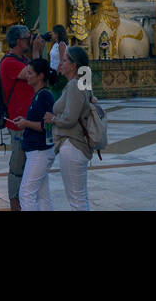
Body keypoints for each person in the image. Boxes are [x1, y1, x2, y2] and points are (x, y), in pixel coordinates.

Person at [45, 44, 94, 211]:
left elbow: (70, 119)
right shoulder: (81, 83)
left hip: (73, 144)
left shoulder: (75, 85)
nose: (61, 64)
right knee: (79, 197)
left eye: (64, 60)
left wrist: (53, 119)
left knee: (76, 200)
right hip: (76, 145)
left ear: (73, 66)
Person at [11, 57, 55, 211]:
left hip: (40, 150)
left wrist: (26, 123)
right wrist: (25, 121)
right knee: (42, 195)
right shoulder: (38, 95)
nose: (27, 76)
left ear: (40, 76)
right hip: (36, 149)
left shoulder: (44, 96)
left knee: (26, 193)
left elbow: (47, 125)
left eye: (30, 73)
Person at [0, 24, 34, 211]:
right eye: (28, 38)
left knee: (30, 165)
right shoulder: (10, 62)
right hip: (18, 122)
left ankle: (25, 200)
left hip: (29, 122)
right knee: (18, 164)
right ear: (19, 41)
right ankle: (15, 202)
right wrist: (37, 52)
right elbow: (33, 75)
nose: (31, 41)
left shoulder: (24, 59)